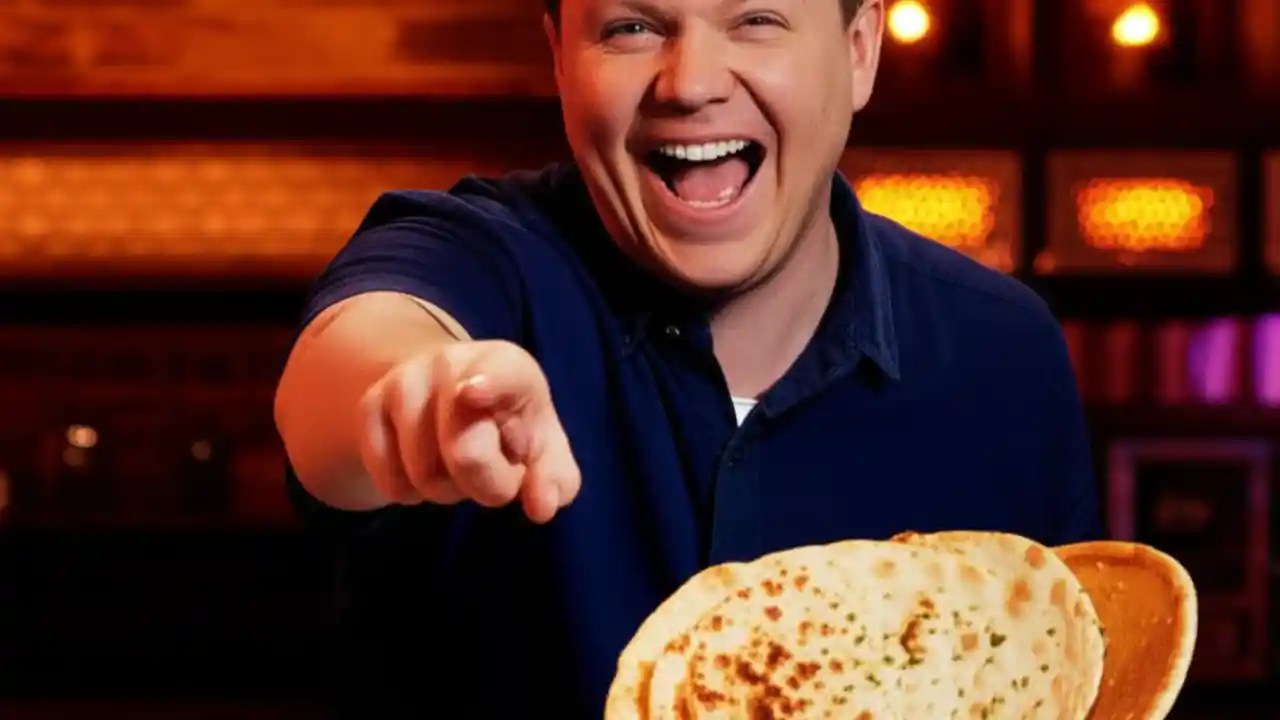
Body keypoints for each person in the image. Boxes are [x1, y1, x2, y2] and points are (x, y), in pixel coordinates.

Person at [273, 0, 1103, 715]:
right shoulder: (484, 257)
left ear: (859, 51)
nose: (691, 81)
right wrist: (426, 399)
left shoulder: (1004, 356)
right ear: (560, 58)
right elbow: (350, 362)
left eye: (757, 20)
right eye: (632, 27)